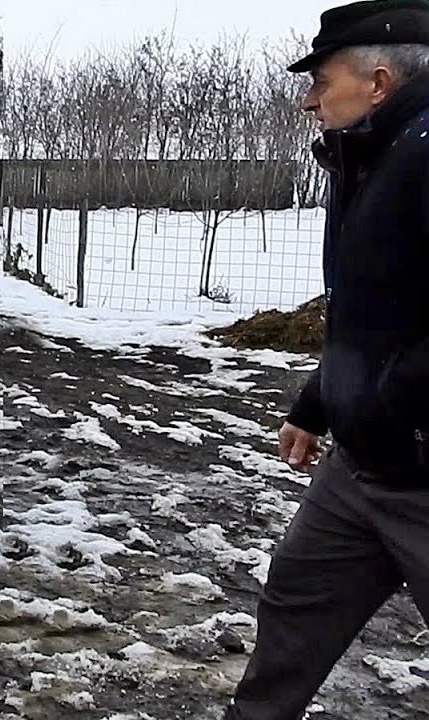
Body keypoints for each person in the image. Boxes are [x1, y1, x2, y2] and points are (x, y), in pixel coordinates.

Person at [223, 1, 429, 718]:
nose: (308, 100)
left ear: (378, 81)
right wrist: (319, 403)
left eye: (320, 81)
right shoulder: (366, 156)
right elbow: (369, 309)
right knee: (296, 605)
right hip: (360, 466)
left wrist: (389, 398)